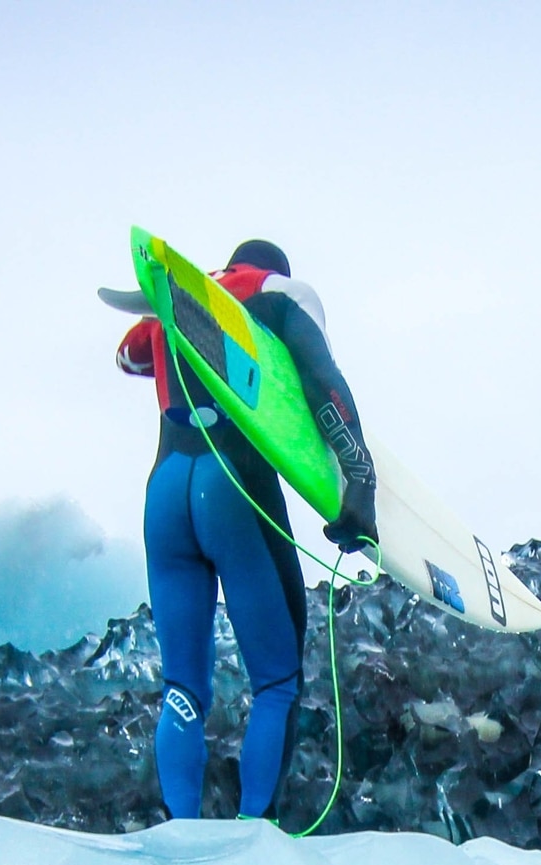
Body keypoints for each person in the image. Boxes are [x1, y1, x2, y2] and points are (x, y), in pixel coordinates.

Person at [114, 239, 377, 823]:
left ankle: (180, 828)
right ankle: (257, 831)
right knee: (277, 681)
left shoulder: (172, 298)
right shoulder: (280, 292)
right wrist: (360, 482)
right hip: (232, 484)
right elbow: (319, 380)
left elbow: (128, 358)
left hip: (164, 492)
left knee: (181, 686)